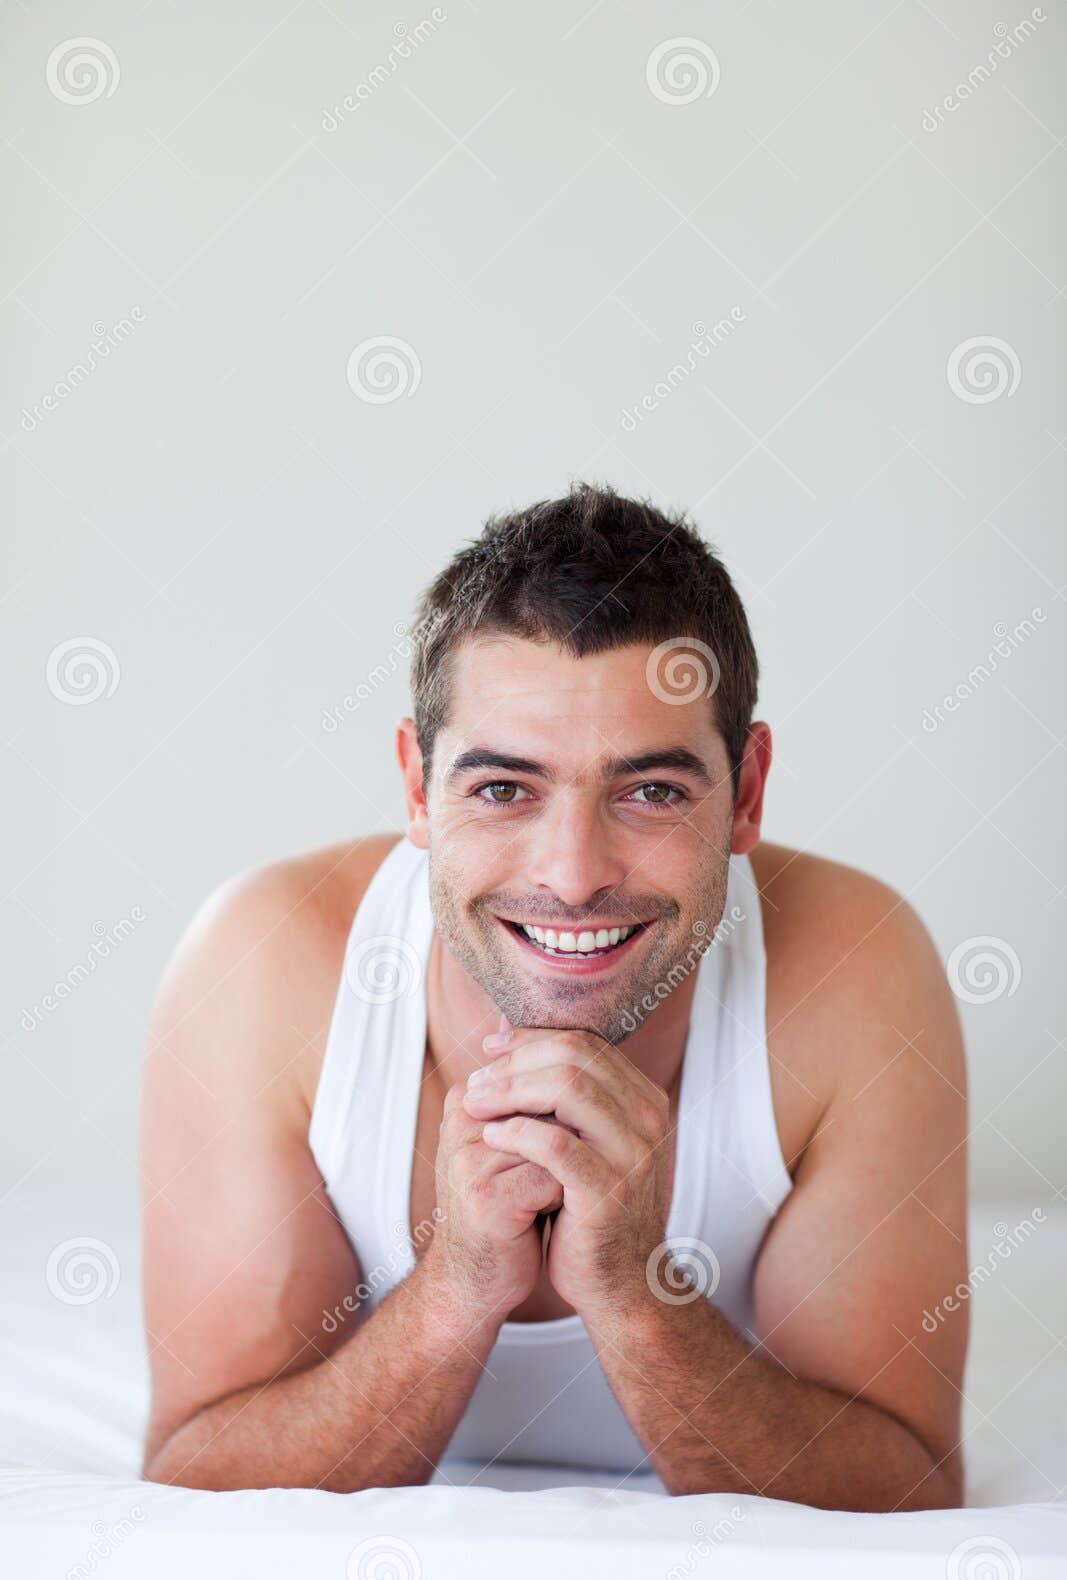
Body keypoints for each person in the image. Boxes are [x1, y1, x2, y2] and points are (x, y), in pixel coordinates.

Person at [140, 482, 968, 1509]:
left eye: (650, 791)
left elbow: (907, 1481)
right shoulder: (262, 958)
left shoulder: (856, 965)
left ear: (745, 793)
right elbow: (192, 1467)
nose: (572, 874)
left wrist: (631, 1293)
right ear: (416, 789)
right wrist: (453, 1292)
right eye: (501, 789)